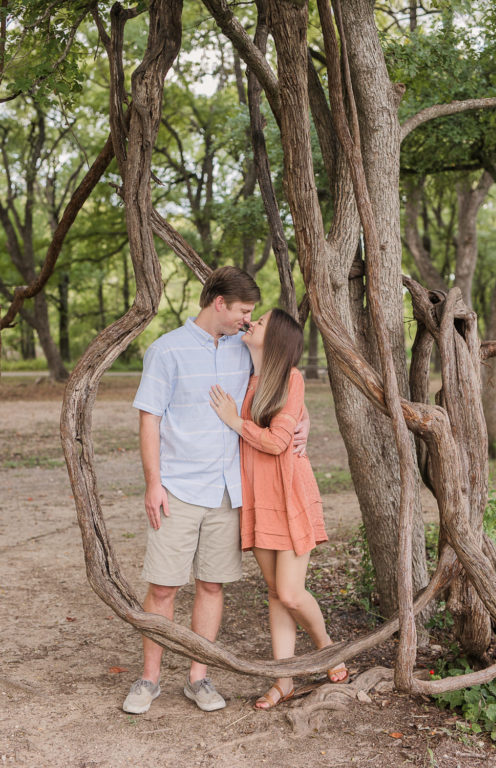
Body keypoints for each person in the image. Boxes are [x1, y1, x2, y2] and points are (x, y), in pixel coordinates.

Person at [123, 266, 264, 714]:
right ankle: (149, 680)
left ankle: (198, 678)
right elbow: (150, 418)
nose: (248, 319)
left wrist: (299, 429)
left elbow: (276, 396)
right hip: (178, 489)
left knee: (211, 586)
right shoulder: (167, 350)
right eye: (244, 310)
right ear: (218, 302)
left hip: (228, 490)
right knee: (163, 588)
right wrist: (153, 484)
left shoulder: (247, 350)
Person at [208, 308, 347, 709]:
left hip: (289, 496)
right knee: (274, 593)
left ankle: (326, 648)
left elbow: (276, 442)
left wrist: (235, 421)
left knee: (289, 591)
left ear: (277, 339)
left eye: (262, 321)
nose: (253, 323)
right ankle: (283, 679)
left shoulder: (291, 377)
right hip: (256, 498)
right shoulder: (247, 377)